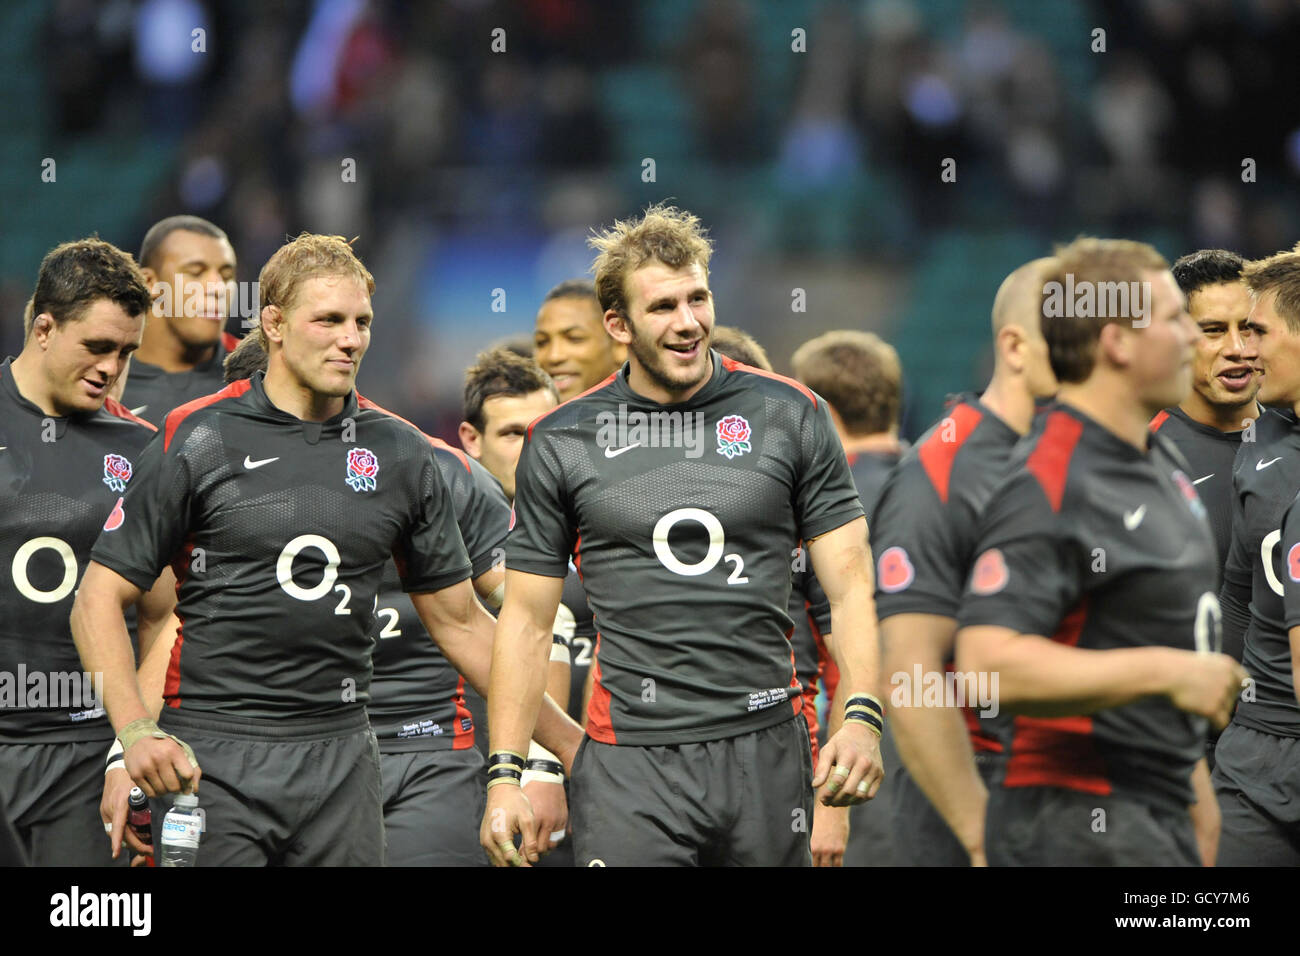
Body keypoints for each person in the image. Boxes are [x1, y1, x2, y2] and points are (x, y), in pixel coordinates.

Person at [72, 233, 582, 866]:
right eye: (330, 320)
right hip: (214, 754)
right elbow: (97, 598)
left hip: (343, 757)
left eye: (362, 322)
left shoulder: (402, 453)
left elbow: (463, 626)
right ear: (275, 323)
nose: (351, 339)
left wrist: (571, 748)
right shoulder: (197, 436)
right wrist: (133, 733)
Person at [482, 204, 884, 867]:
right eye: (663, 306)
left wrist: (861, 715)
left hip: (767, 749)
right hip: (631, 761)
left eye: (698, 298)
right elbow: (526, 620)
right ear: (618, 324)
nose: (689, 321)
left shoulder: (790, 413)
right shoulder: (563, 439)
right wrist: (507, 775)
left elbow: (850, 587)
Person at [955, 237, 1246, 866]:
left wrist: (1195, 795)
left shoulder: (1155, 452)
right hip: (1075, 822)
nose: (1196, 340)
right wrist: (1169, 675)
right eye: (1176, 322)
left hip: (1157, 808)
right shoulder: (1052, 477)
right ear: (1117, 341)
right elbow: (986, 662)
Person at [820, 268, 1055, 867]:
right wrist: (979, 835)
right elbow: (910, 670)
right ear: (1015, 345)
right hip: (972, 780)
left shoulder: (1112, 455)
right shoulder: (940, 471)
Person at [0, 238, 174, 865]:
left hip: (86, 759)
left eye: (126, 352)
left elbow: (163, 618)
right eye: (97, 347)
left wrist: (129, 748)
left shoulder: (147, 451)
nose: (112, 368)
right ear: (43, 328)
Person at [709, 326, 847, 867]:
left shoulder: (800, 513)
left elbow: (844, 658)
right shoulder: (643, 516)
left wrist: (832, 802)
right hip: (658, 769)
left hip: (786, 765)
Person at [791, 329, 918, 867]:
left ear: (820, 411)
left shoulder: (813, 507)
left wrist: (829, 798)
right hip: (961, 749)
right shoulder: (952, 483)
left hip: (853, 758)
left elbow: (843, 648)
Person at [458, 346, 583, 865]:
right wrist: (534, 770)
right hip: (479, 778)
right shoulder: (447, 531)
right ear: (471, 439)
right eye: (513, 434)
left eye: (543, 429)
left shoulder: (598, 523)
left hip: (594, 779)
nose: (532, 447)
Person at [1215, 248, 1300, 866]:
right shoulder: (1258, 442)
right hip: (1254, 758)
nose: (1245, 350)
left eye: (1258, 331)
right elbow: (1238, 598)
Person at [1149, 250, 1260, 581]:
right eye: (1214, 330)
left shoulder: (1292, 441)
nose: (1237, 348)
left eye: (1248, 328)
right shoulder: (1143, 456)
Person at [117, 216, 241, 425]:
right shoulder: (103, 377)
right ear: (150, 282)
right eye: (196, 272)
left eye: (227, 276)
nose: (218, 288)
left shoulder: (260, 375)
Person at [532, 279, 625, 402]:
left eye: (574, 338)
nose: (554, 356)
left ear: (619, 345)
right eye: (542, 342)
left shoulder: (648, 417)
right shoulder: (530, 419)